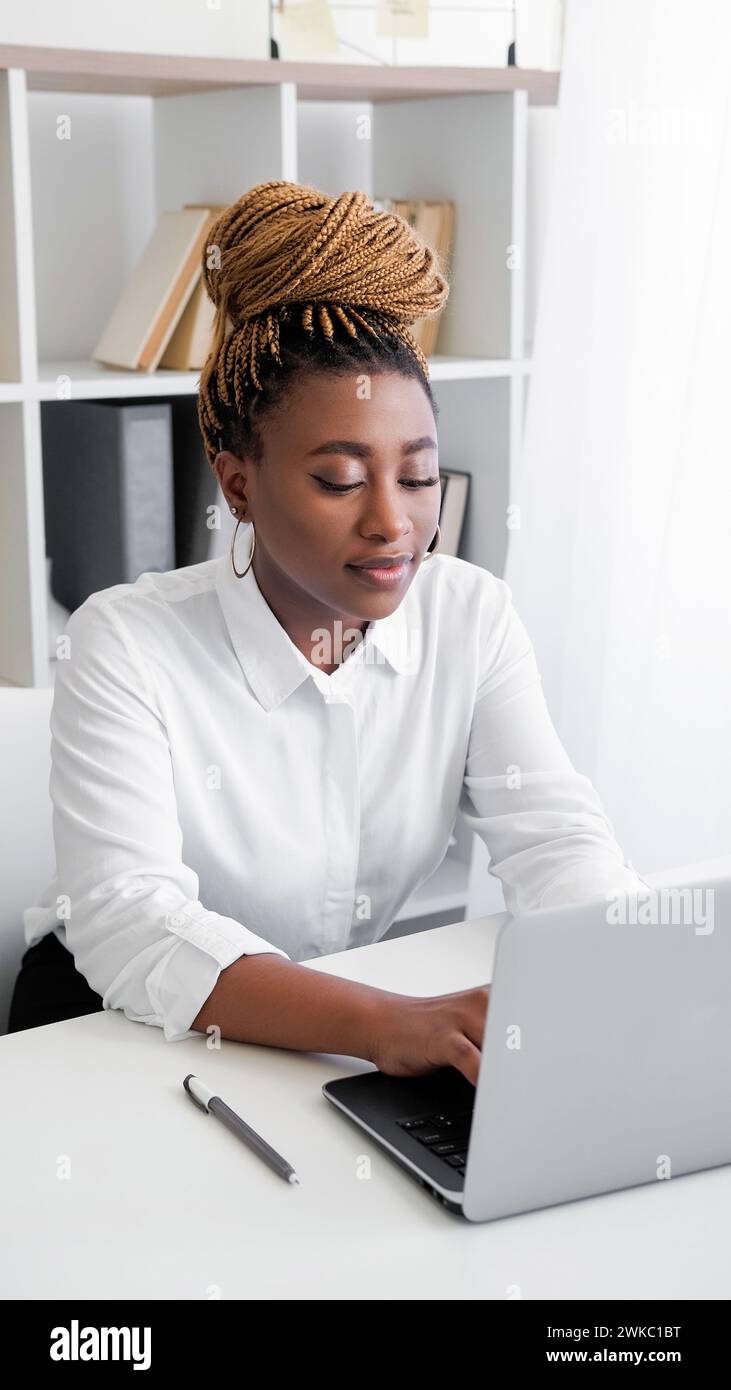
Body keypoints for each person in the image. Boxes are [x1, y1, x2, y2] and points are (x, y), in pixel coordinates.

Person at [10, 180, 648, 1085]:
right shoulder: (128, 642)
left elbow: (553, 836)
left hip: (318, 1033)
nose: (394, 523)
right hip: (115, 1025)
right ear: (237, 484)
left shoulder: (470, 614)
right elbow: (130, 920)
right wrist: (386, 1023)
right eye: (342, 481)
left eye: (418, 477)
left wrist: (620, 979)